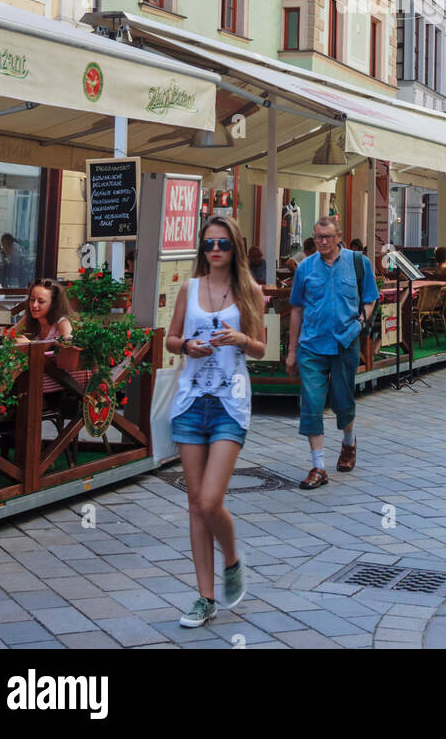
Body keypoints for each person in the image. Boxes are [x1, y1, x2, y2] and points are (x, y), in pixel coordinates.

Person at [166, 215, 266, 628]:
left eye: (223, 243)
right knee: (194, 505)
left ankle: (232, 557)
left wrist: (241, 339)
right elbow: (170, 338)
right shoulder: (189, 289)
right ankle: (205, 597)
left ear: (235, 247)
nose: (215, 250)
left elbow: (260, 348)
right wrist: (188, 345)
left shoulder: (249, 291)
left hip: (230, 403)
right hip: (190, 402)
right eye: (209, 244)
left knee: (210, 501)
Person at [286, 214, 378, 489]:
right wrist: (291, 351)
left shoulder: (358, 263)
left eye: (327, 237)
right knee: (312, 404)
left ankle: (348, 443)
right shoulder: (305, 268)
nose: (322, 242)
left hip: (344, 343)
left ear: (339, 236)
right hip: (312, 345)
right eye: (317, 237)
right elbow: (297, 310)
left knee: (342, 401)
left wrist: (360, 324)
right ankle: (318, 466)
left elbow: (370, 299)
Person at [13, 279, 74, 345]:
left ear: (53, 303)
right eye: (32, 300)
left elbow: (68, 347)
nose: (34, 305)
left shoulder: (63, 322)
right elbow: (9, 336)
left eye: (41, 302)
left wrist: (30, 344)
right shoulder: (28, 318)